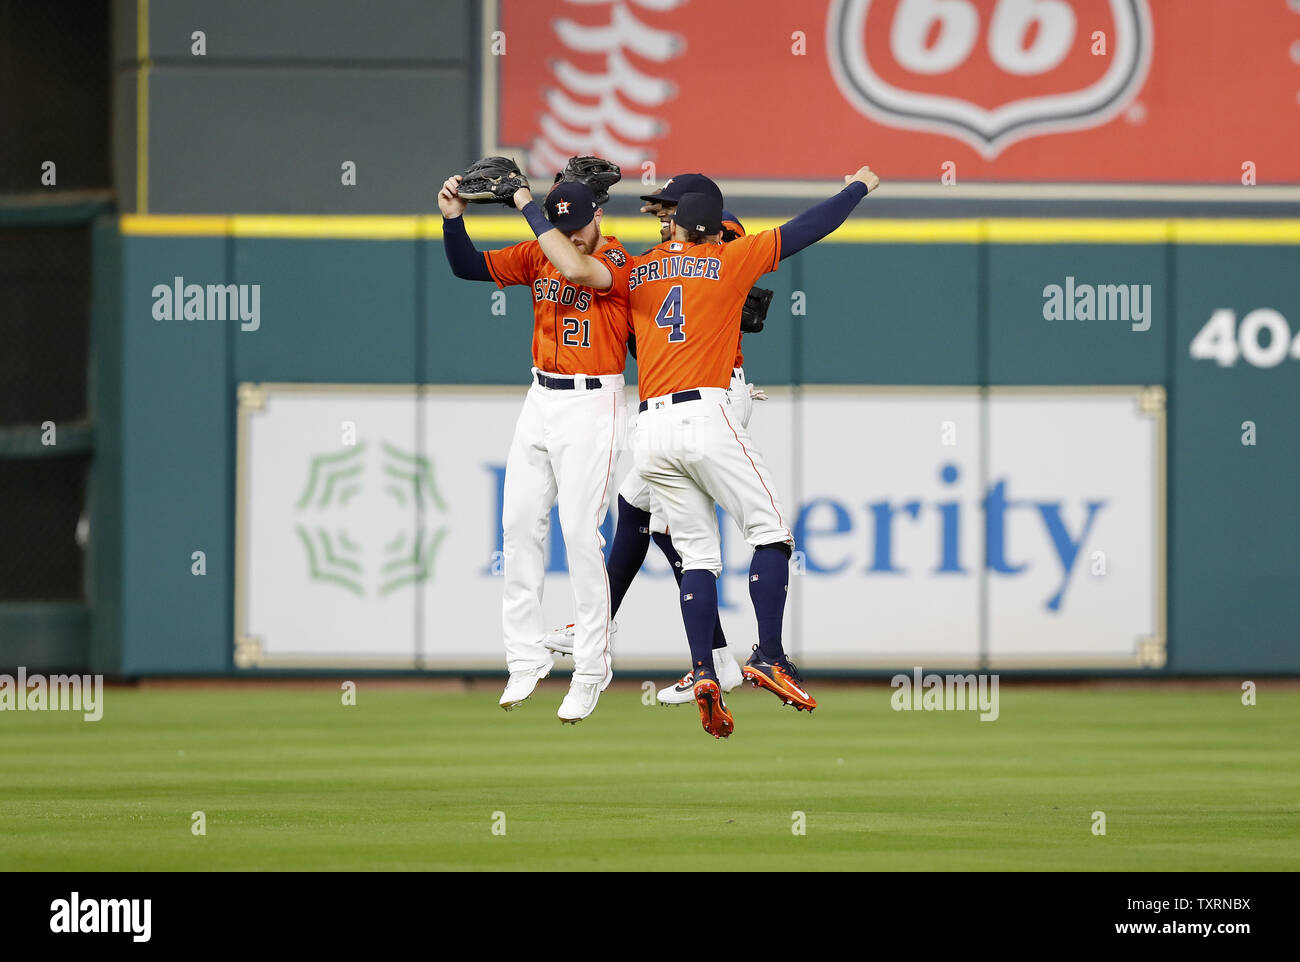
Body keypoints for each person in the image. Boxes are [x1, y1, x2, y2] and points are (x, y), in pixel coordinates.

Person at [438, 173, 633, 723]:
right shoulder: (537, 252)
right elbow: (467, 266)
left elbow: (575, 268)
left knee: (578, 532)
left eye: (577, 224)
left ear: (598, 215)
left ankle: (592, 669)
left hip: (595, 403)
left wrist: (525, 203)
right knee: (519, 523)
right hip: (540, 396)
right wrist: (454, 217)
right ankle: (524, 656)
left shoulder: (619, 260)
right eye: (562, 225)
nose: (570, 236)